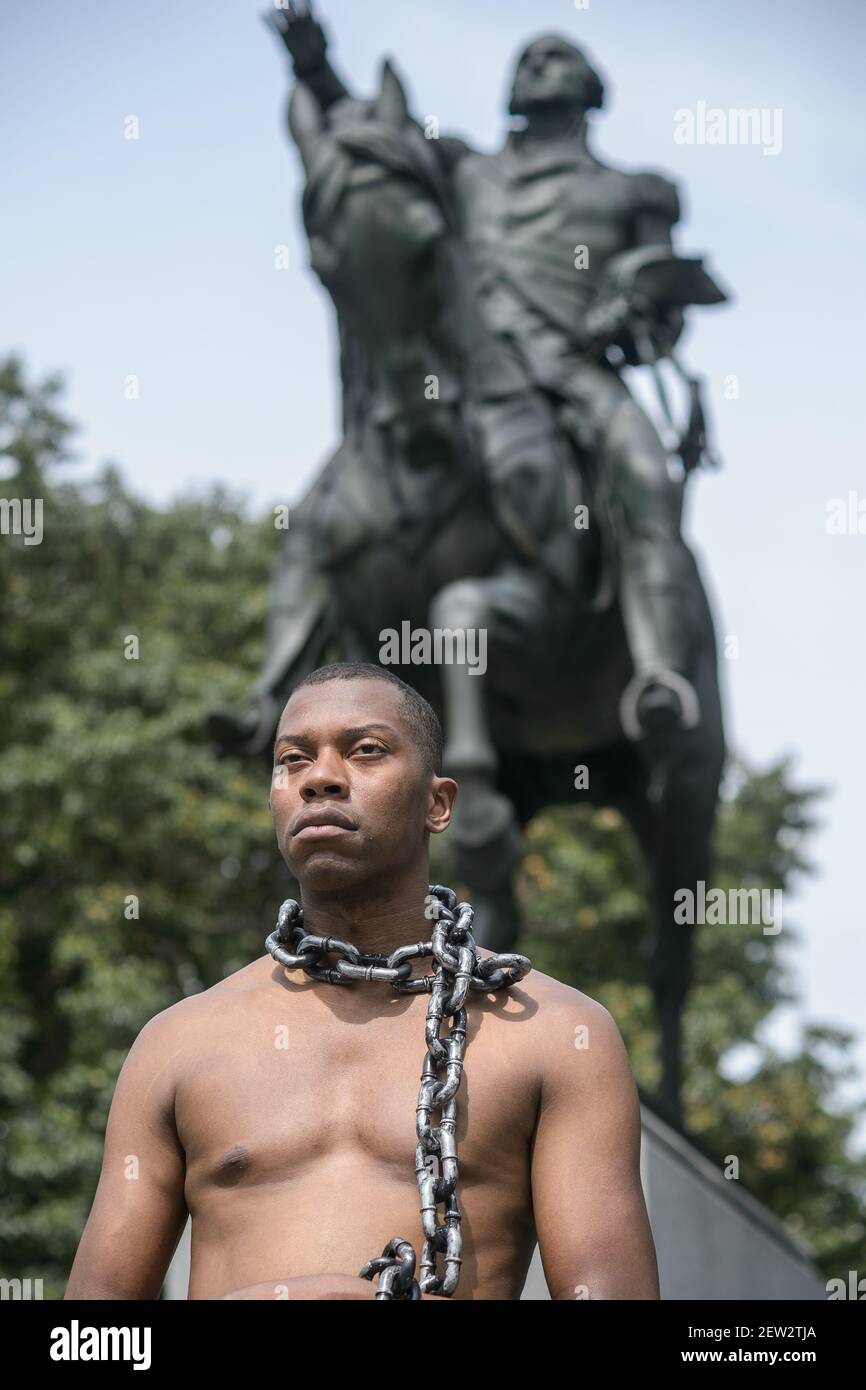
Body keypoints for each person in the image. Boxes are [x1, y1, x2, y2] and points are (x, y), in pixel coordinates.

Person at [65, 663, 659, 1300]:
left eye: (365, 750)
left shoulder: (555, 1034)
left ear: (438, 804)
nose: (319, 778)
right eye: (292, 760)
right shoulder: (176, 1044)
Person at [267, 3, 707, 746]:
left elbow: (664, 312)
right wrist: (313, 65)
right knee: (328, 499)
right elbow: (370, 135)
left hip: (575, 374)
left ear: (592, 89)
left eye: (556, 55)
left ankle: (658, 670)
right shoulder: (466, 167)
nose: (537, 62)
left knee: (642, 470)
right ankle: (278, 686)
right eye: (527, 57)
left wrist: (631, 314)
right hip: (472, 377)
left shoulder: (639, 191)